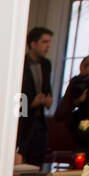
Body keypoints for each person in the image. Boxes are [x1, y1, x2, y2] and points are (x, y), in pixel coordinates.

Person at [55, 54, 89, 159]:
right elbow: (59, 114)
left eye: (88, 65)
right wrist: (75, 102)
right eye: (83, 65)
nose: (84, 69)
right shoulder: (77, 82)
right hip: (79, 137)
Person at [17, 27, 54, 166]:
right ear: (33, 44)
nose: (48, 46)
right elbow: (17, 94)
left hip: (40, 122)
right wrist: (31, 104)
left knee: (38, 163)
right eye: (44, 42)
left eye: (49, 42)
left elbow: (47, 88)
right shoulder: (21, 63)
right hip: (23, 121)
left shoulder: (46, 64)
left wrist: (48, 100)